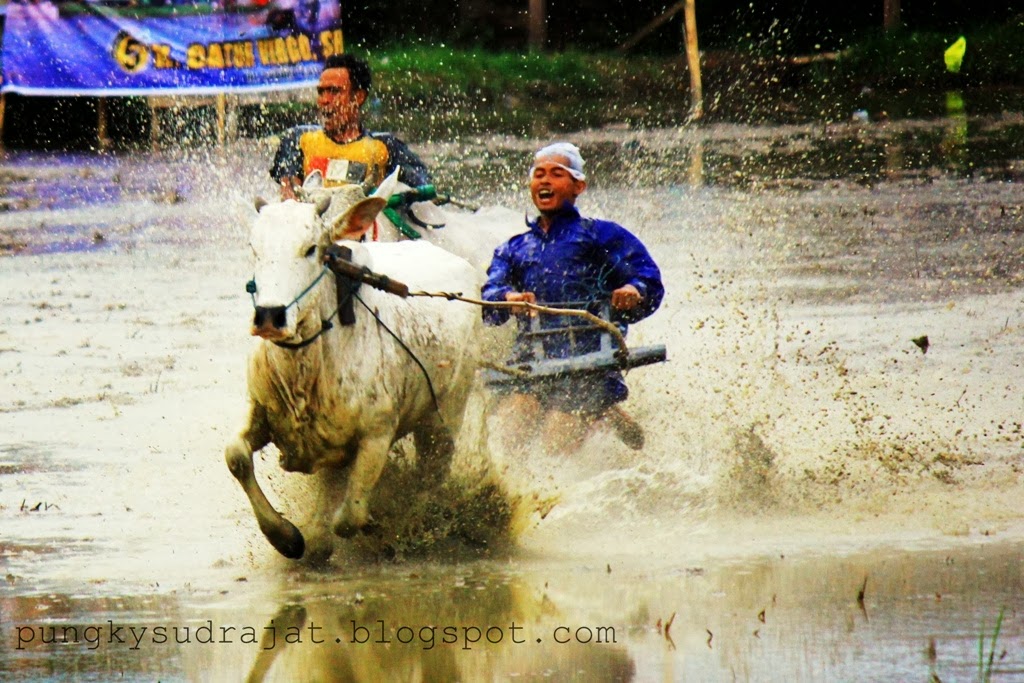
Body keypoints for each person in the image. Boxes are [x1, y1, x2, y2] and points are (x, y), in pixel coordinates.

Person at [482, 142, 664, 453]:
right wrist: (508, 297)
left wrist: (634, 291)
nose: (545, 180)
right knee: (509, 435)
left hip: (589, 363)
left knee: (555, 443)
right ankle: (605, 413)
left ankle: (601, 409)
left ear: (578, 186)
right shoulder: (512, 249)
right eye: (539, 174)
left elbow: (648, 279)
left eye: (556, 174)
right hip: (531, 362)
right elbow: (489, 301)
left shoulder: (601, 235)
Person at [270, 54, 431, 200]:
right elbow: (289, 197)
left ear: (358, 97)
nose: (324, 100)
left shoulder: (384, 146)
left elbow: (423, 183)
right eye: (321, 92)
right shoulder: (298, 139)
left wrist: (400, 194)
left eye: (334, 91)